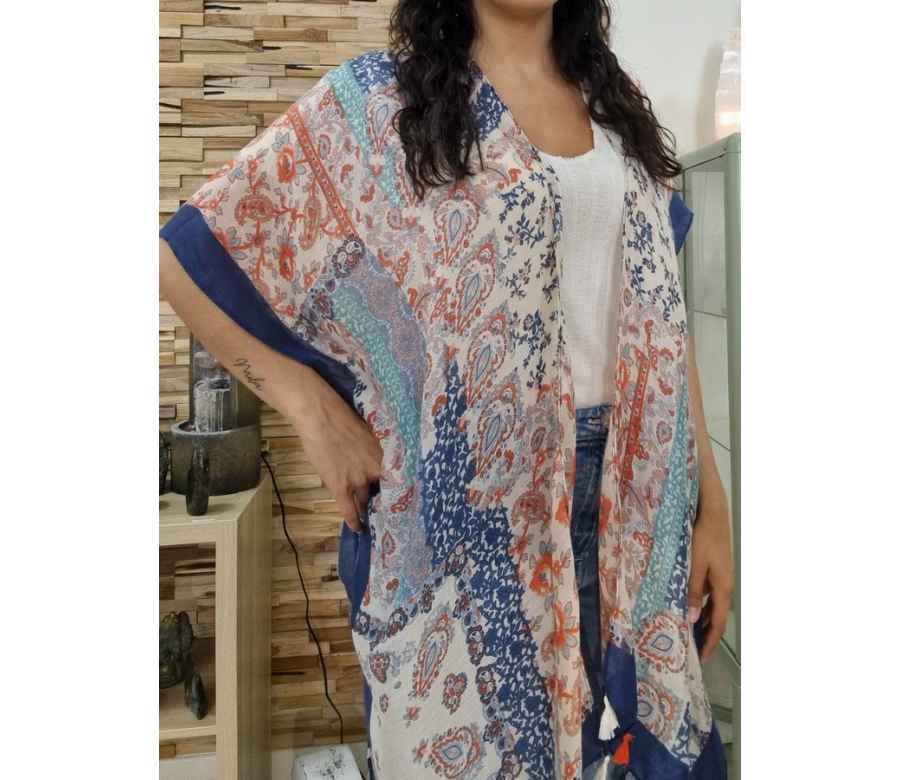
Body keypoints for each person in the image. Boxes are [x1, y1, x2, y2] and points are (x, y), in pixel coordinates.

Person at [159, 1, 734, 777]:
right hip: (470, 528)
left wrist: (711, 505)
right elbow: (181, 260)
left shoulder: (615, 103)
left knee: (637, 748)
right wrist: (312, 410)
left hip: (637, 504)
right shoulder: (383, 105)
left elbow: (664, 321)